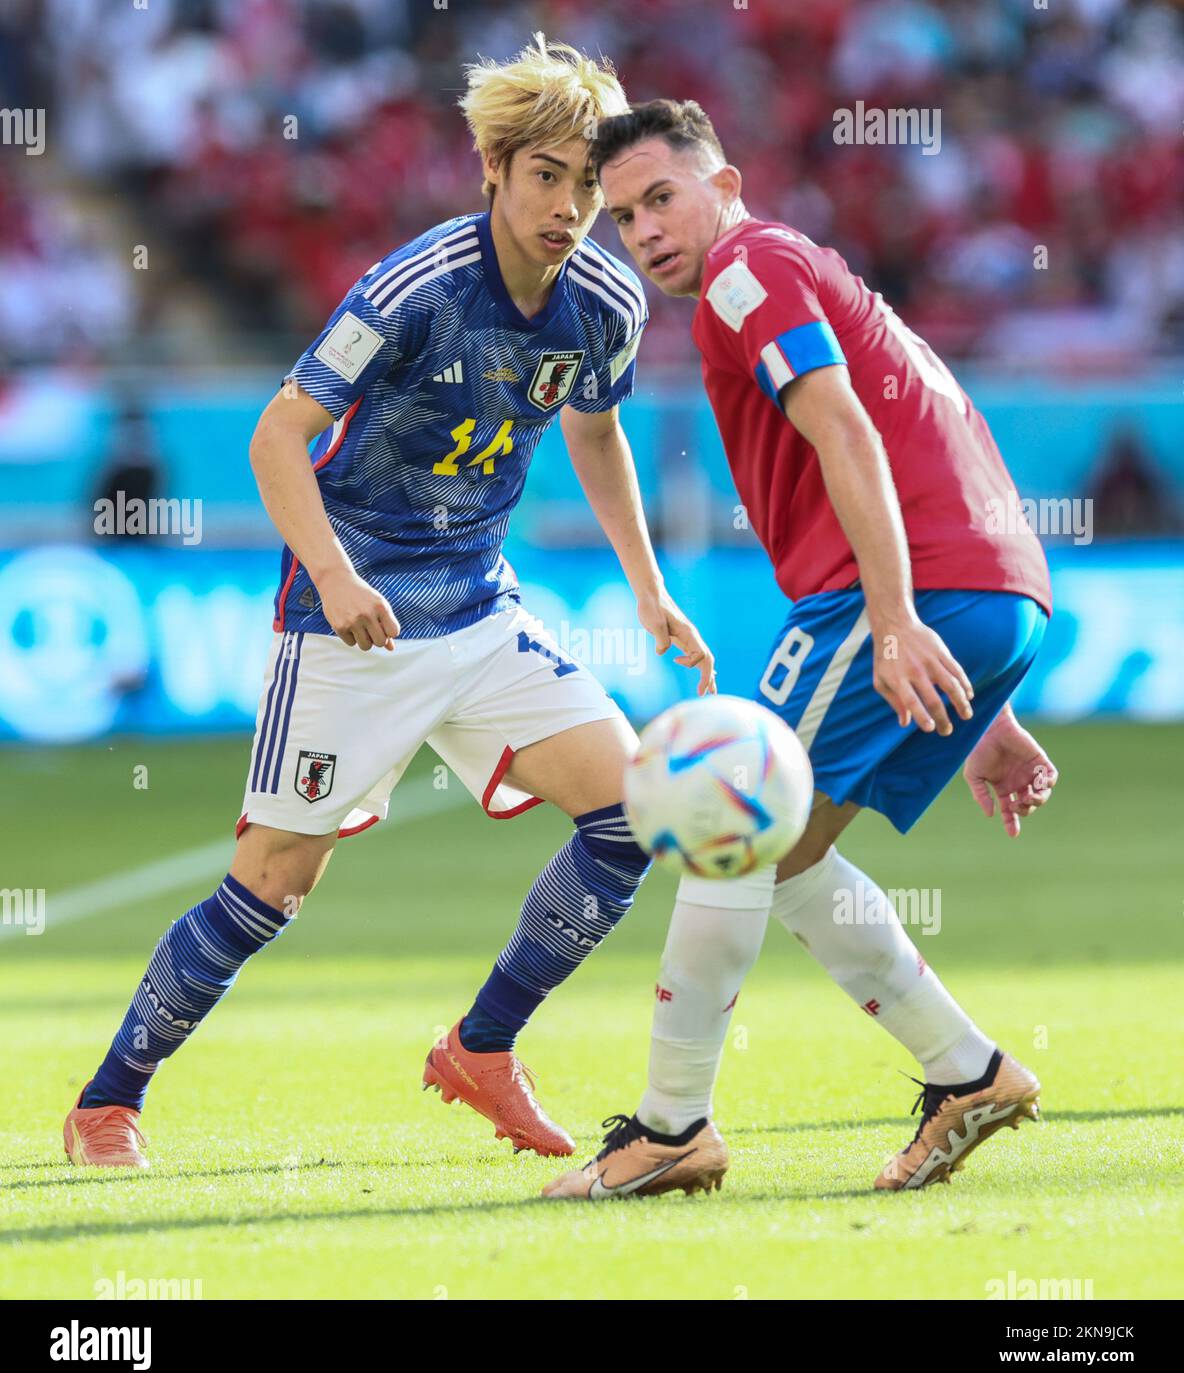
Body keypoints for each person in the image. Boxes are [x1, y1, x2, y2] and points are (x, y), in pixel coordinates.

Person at [62, 44, 715, 1170]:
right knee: (273, 884)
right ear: (495, 172)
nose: (568, 208)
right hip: (352, 620)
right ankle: (106, 1102)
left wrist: (650, 590)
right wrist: (331, 573)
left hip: (478, 610)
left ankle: (481, 1045)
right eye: (545, 177)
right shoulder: (412, 290)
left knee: (631, 812)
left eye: (585, 184)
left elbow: (594, 433)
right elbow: (278, 436)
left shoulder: (606, 303)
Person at [544, 98, 1057, 1199]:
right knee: (786, 853)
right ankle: (964, 1073)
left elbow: (844, 428)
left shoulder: (745, 270)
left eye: (659, 198)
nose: (641, 231)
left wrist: (891, 618)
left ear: (721, 186)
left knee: (727, 821)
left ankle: (671, 1126)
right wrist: (986, 703)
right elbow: (922, 421)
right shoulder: (797, 268)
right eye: (622, 218)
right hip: (991, 587)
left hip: (901, 590)